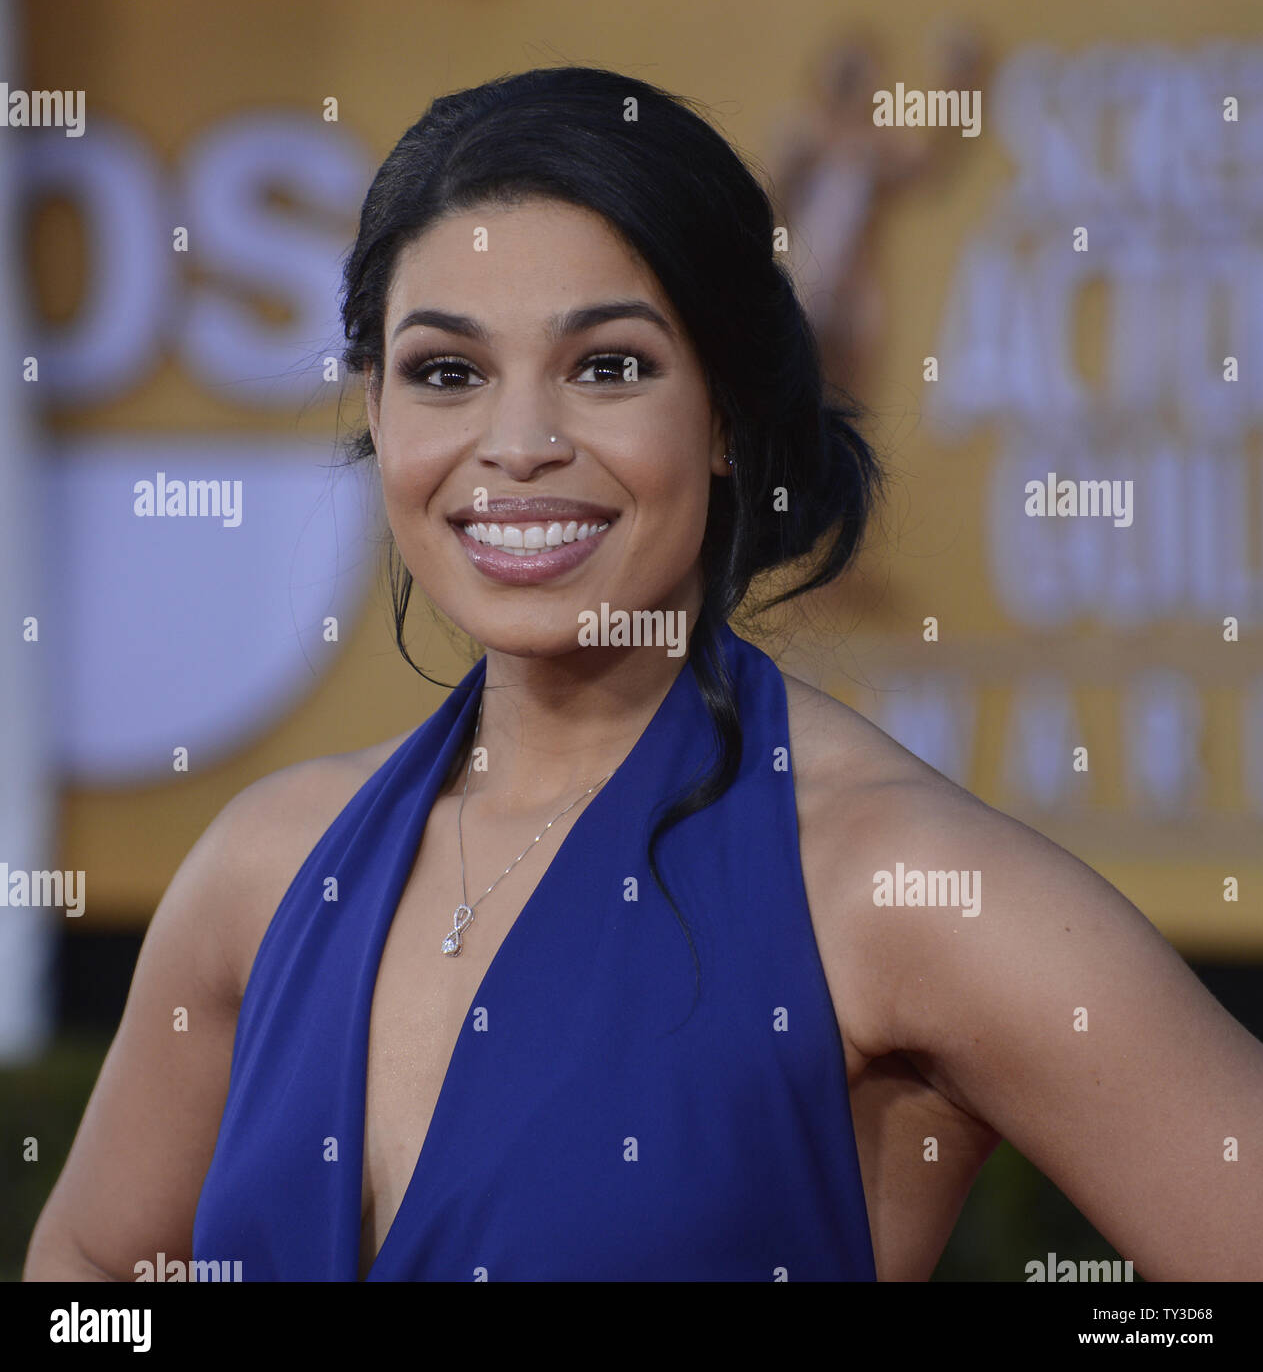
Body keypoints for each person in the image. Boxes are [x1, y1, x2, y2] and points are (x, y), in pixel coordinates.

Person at [24, 65, 1263, 1283]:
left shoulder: (898, 886)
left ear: (724, 412)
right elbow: (86, 1268)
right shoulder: (265, 867)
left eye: (608, 367)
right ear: (379, 411)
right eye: (447, 372)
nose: (516, 446)